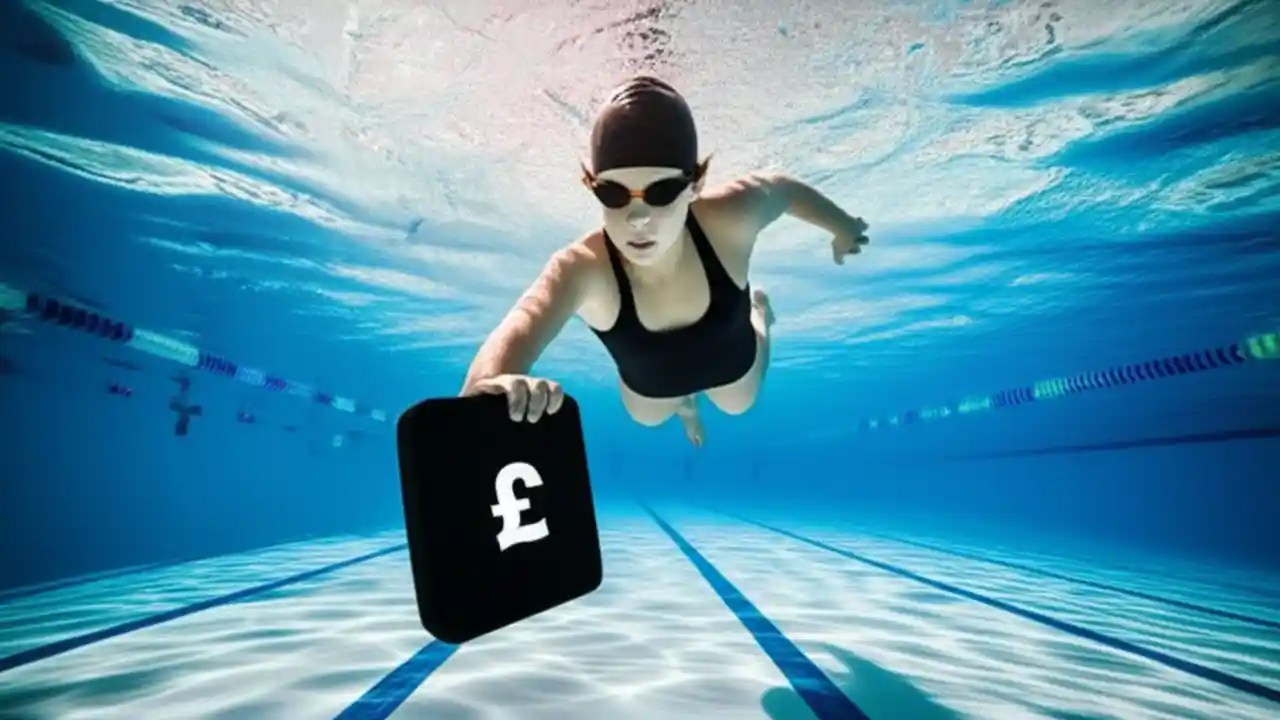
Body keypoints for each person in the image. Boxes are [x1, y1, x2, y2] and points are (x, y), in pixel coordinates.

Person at [459, 76, 869, 447]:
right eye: (614, 194)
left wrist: (846, 228)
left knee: (736, 404)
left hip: (732, 364)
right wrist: (489, 384)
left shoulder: (728, 220)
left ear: (695, 184)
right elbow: (520, 325)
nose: (637, 218)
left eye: (661, 192)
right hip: (651, 391)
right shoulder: (582, 267)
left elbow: (785, 189)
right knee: (649, 418)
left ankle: (759, 313)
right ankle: (685, 406)